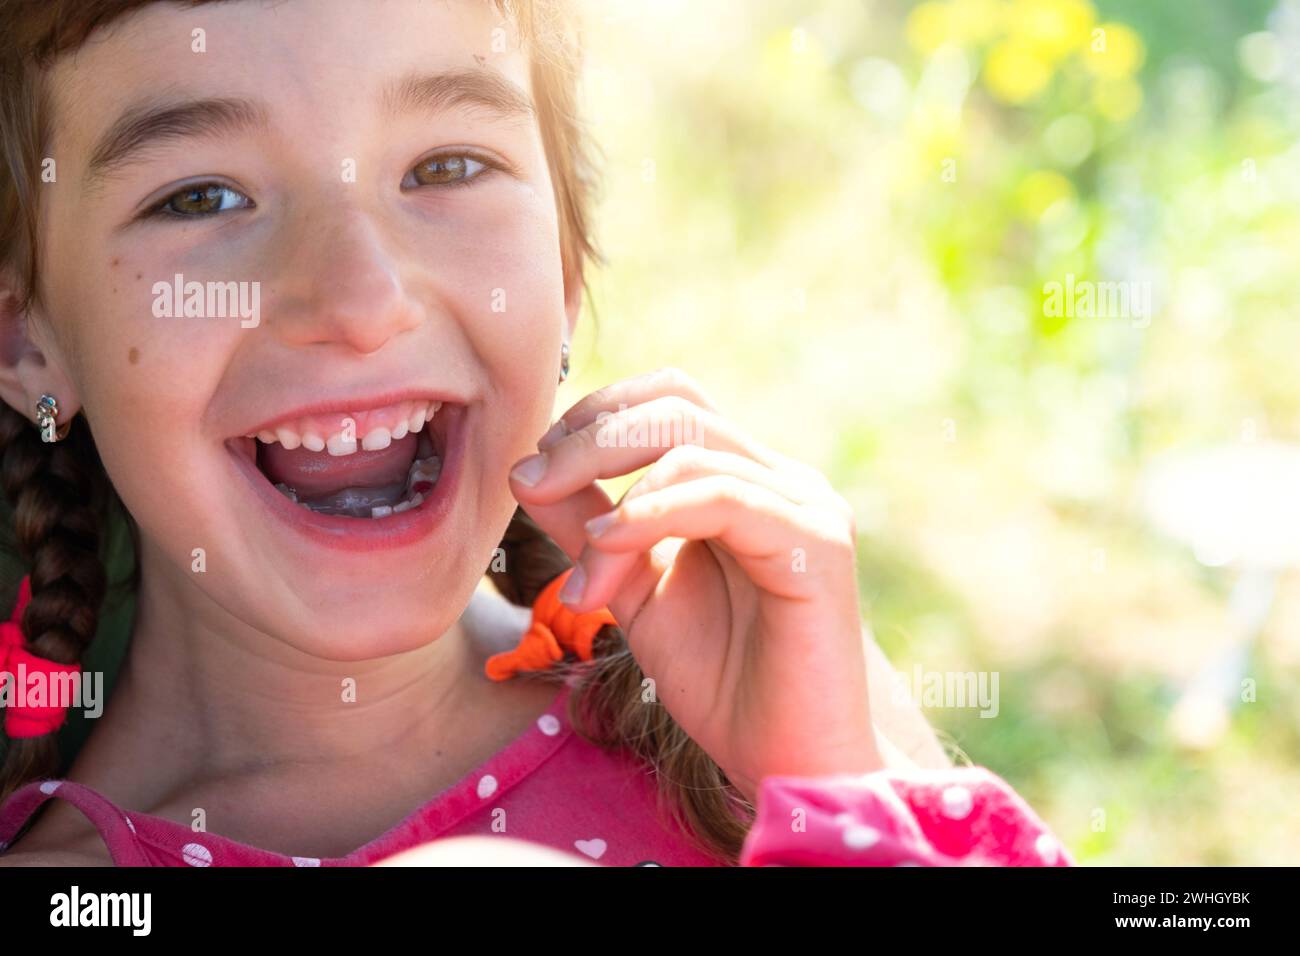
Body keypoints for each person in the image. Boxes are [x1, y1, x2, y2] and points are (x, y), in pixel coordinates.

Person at [0, 0, 1071, 867]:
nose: (361, 297)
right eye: (200, 195)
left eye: (446, 167)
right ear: (23, 342)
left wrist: (833, 785)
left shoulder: (781, 712)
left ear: (567, 268)